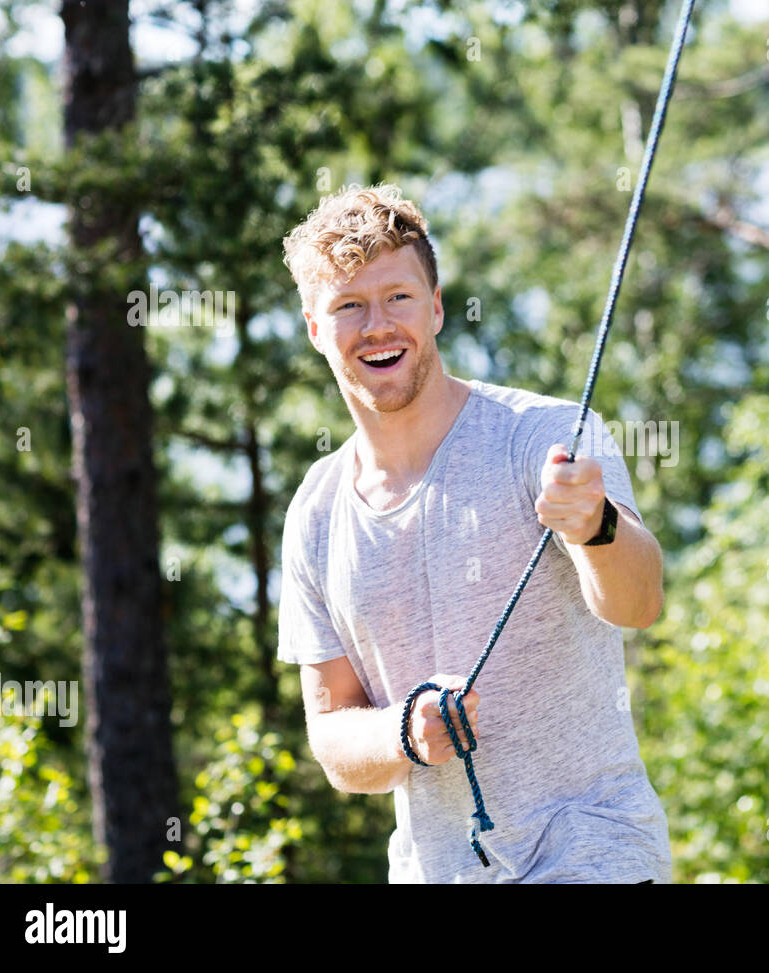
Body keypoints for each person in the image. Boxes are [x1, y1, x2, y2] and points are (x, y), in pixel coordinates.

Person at [276, 183, 672, 883]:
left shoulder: (541, 436)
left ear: (434, 307)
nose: (378, 325)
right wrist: (404, 730)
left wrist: (597, 524)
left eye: (398, 297)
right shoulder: (316, 511)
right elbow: (333, 734)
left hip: (592, 852)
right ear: (314, 327)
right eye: (348, 306)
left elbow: (638, 603)